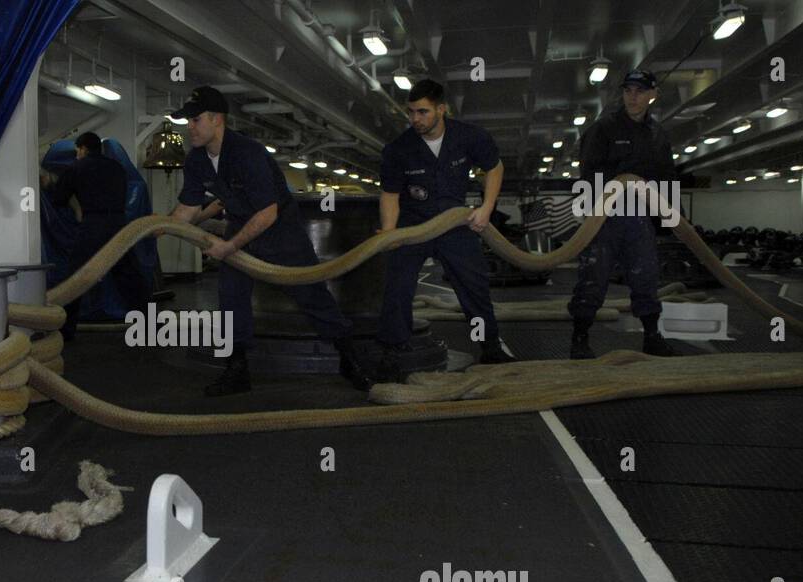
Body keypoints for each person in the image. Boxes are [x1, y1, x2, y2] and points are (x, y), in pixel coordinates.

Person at [164, 86, 372, 397]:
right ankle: (237, 370)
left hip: (280, 231)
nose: (189, 127)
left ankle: (350, 358)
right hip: (240, 226)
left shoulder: (248, 153)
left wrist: (229, 247)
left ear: (216, 119)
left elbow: (267, 213)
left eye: (194, 121)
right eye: (187, 122)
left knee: (310, 293)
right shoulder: (196, 160)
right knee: (231, 297)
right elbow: (189, 208)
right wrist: (159, 227)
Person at [377, 78, 514, 381]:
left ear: (442, 109)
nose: (416, 119)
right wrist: (389, 233)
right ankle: (394, 351)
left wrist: (486, 208)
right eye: (411, 112)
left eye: (423, 112)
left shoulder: (469, 137)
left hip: (454, 222)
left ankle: (489, 347)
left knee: (474, 285)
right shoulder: (398, 149)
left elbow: (495, 167)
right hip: (414, 224)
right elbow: (389, 194)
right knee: (398, 284)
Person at [568, 69, 678, 359]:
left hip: (640, 217)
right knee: (593, 277)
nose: (633, 96)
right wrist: (592, 214)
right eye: (628, 90)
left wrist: (666, 218)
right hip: (606, 216)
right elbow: (587, 173)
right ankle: (579, 339)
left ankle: (652, 337)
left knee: (646, 277)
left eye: (640, 91)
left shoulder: (657, 135)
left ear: (652, 95)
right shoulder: (603, 129)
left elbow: (667, 176)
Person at [47, 132, 151, 339]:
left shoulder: (76, 168)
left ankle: (66, 331)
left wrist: (51, 184)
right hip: (119, 226)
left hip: (93, 225)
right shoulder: (117, 168)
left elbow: (59, 199)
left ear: (83, 148)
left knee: (77, 278)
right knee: (130, 278)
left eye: (78, 150)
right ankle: (148, 327)